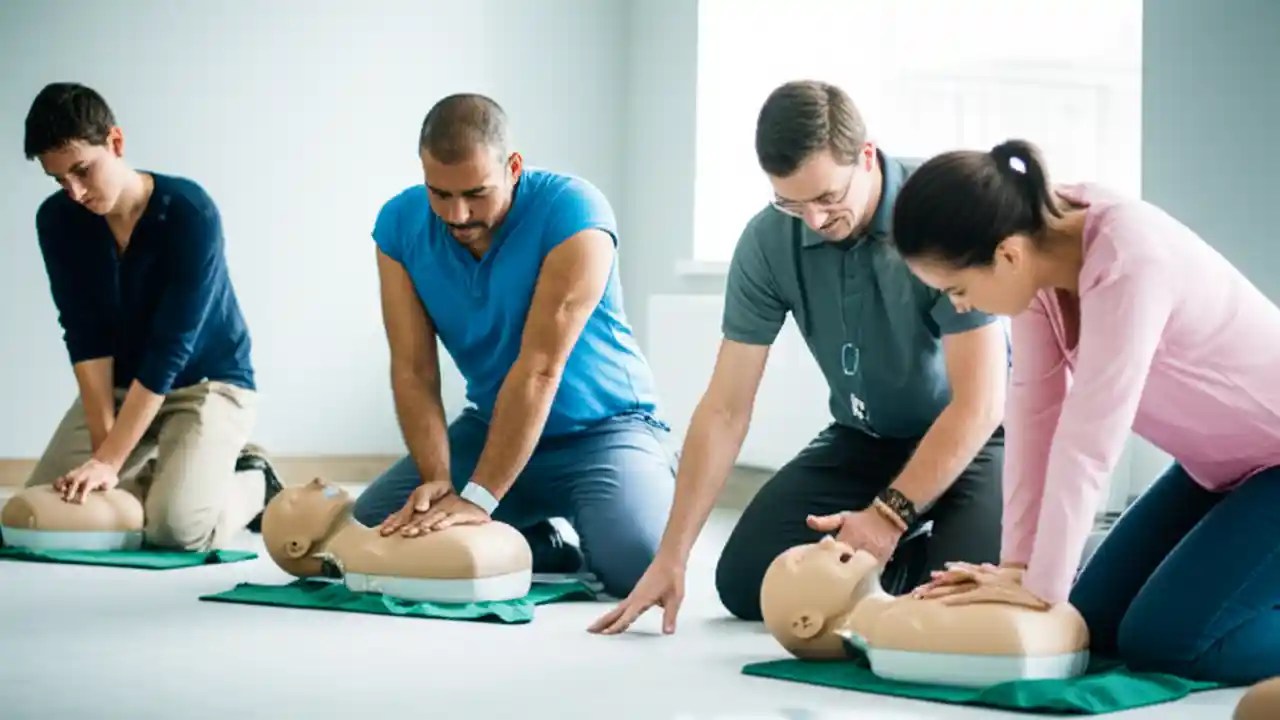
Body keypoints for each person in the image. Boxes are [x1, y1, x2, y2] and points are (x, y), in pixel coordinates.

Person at [589, 80, 1009, 635]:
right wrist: (671, 555)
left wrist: (887, 517)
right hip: (866, 438)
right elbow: (724, 409)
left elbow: (979, 405)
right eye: (791, 201)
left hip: (975, 439)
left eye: (827, 198)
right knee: (744, 583)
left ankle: (954, 543)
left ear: (865, 157)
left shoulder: (939, 210)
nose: (812, 219)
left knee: (954, 604)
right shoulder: (768, 242)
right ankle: (903, 560)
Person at [893, 138, 1280, 685]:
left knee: (1168, 645)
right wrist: (1019, 570)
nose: (957, 305)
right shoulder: (1035, 262)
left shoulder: (1130, 258)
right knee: (1090, 623)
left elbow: (1088, 439)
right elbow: (1033, 414)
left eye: (957, 288)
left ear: (1006, 255)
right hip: (1218, 469)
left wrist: (1041, 586)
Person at [351, 93, 676, 599]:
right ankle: (534, 539)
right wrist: (438, 480)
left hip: (605, 431)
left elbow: (541, 368)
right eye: (439, 194)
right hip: (493, 427)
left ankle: (637, 485)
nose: (457, 214)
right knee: (376, 528)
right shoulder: (399, 226)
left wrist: (478, 498)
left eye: (476, 194)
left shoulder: (574, 211)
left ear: (514, 167)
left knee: (636, 566)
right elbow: (413, 368)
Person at [22, 82, 280, 551]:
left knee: (176, 531)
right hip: (122, 389)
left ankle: (252, 478)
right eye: (59, 180)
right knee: (42, 514)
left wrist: (111, 462)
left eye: (82, 170)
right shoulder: (57, 221)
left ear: (115, 143)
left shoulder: (189, 213)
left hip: (207, 384)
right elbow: (84, 335)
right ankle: (163, 476)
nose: (74, 192)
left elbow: (170, 350)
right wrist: (107, 458)